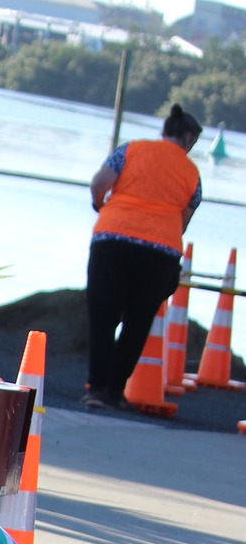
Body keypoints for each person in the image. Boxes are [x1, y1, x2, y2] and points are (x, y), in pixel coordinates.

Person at [83, 103, 201, 411]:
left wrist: (102, 206)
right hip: (160, 251)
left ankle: (96, 388)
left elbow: (99, 183)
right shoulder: (192, 173)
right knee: (138, 321)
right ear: (188, 137)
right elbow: (184, 219)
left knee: (103, 315)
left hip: (113, 238)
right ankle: (115, 390)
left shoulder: (130, 149)